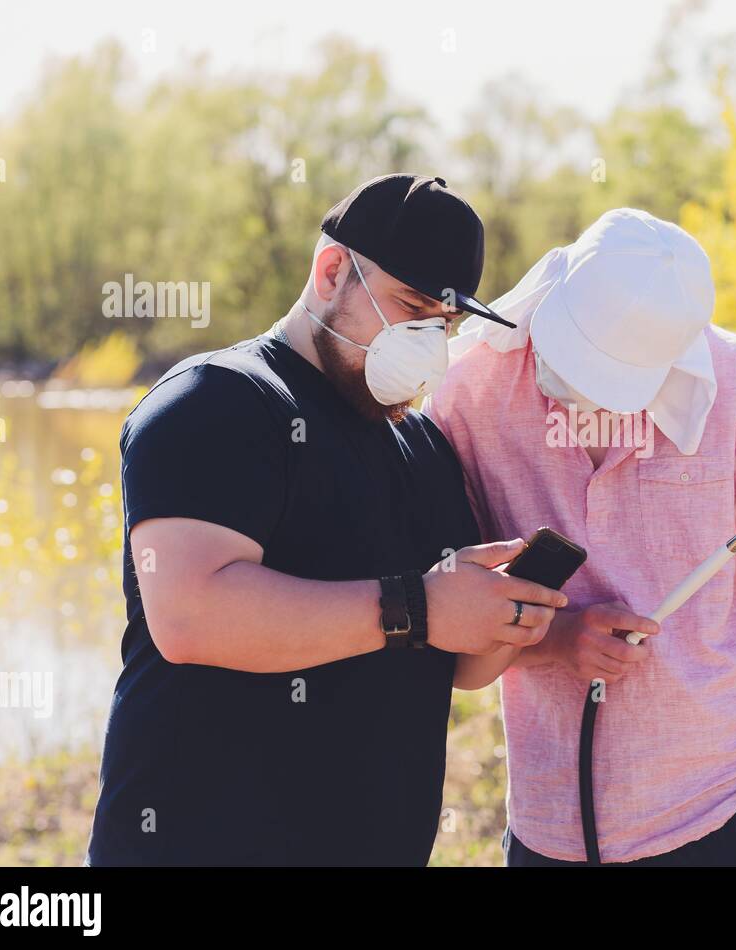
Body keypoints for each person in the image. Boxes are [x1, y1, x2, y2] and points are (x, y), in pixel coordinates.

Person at [86, 174, 567, 866]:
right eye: (411, 307)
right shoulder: (216, 400)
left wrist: (508, 614)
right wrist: (421, 605)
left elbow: (459, 665)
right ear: (332, 270)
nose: (428, 341)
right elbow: (191, 617)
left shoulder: (424, 446)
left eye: (446, 325)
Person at [426, 207, 736, 866]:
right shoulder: (466, 393)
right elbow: (446, 617)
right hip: (549, 827)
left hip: (735, 813)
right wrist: (560, 638)